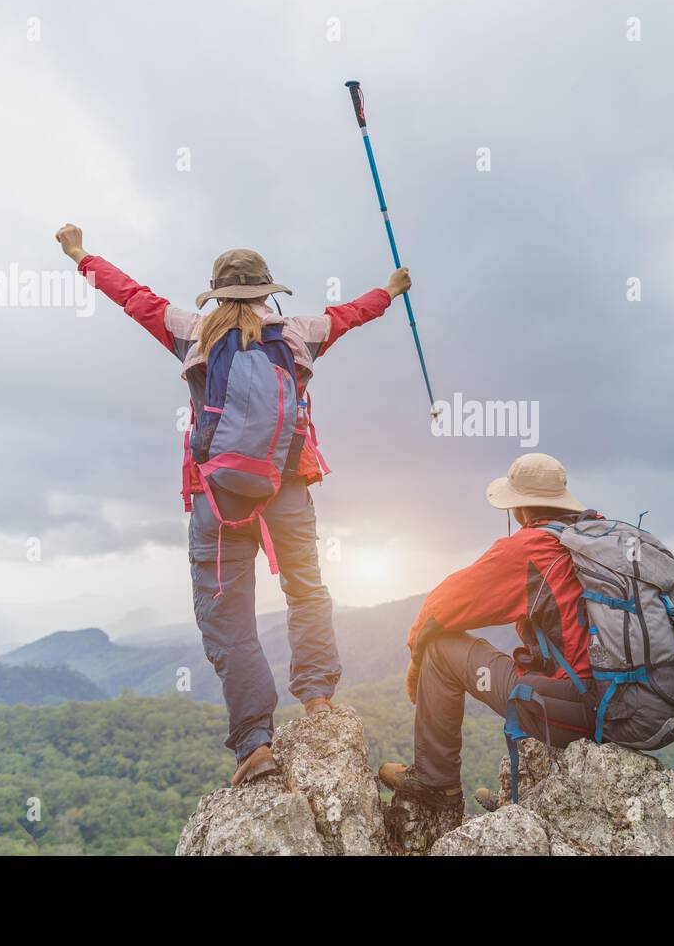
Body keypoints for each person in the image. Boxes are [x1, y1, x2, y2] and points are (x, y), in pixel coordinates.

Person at [54, 223, 411, 786]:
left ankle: (255, 744)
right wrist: (390, 292)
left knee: (228, 618)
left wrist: (80, 254)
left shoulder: (192, 331)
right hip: (286, 485)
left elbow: (131, 295)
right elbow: (349, 314)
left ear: (217, 294)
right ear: (269, 291)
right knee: (306, 587)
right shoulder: (298, 332)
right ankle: (317, 700)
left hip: (216, 499)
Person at [379, 453, 599, 815]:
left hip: (574, 709)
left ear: (519, 508)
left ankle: (437, 782)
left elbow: (441, 607)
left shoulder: (530, 548)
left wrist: (416, 661)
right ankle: (529, 793)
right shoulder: (595, 538)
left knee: (439, 648)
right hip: (627, 704)